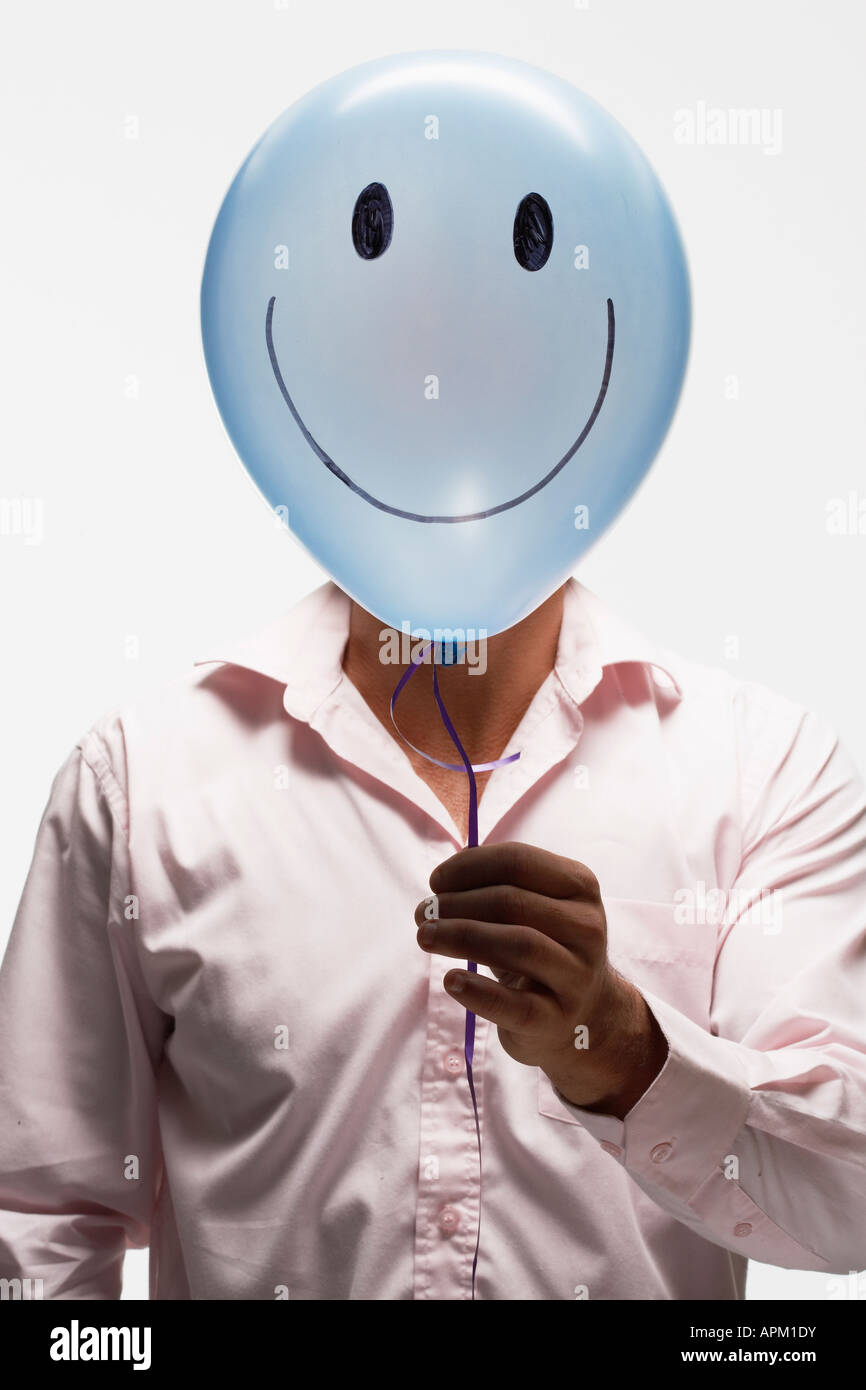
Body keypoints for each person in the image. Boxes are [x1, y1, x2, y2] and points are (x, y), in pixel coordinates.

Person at [1, 574, 865, 1301]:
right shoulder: (143, 775)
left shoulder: (760, 773)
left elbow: (849, 1203)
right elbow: (42, 1215)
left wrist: (627, 1056)